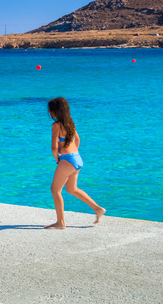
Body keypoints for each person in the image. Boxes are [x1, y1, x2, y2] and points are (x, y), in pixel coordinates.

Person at [45, 97, 105, 229]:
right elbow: (77, 140)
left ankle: (61, 223)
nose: (49, 112)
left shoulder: (56, 125)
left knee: (55, 190)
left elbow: (54, 147)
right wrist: (73, 155)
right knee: (72, 189)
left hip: (67, 160)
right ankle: (97, 209)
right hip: (77, 159)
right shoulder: (70, 122)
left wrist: (58, 159)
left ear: (55, 111)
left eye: (50, 110)